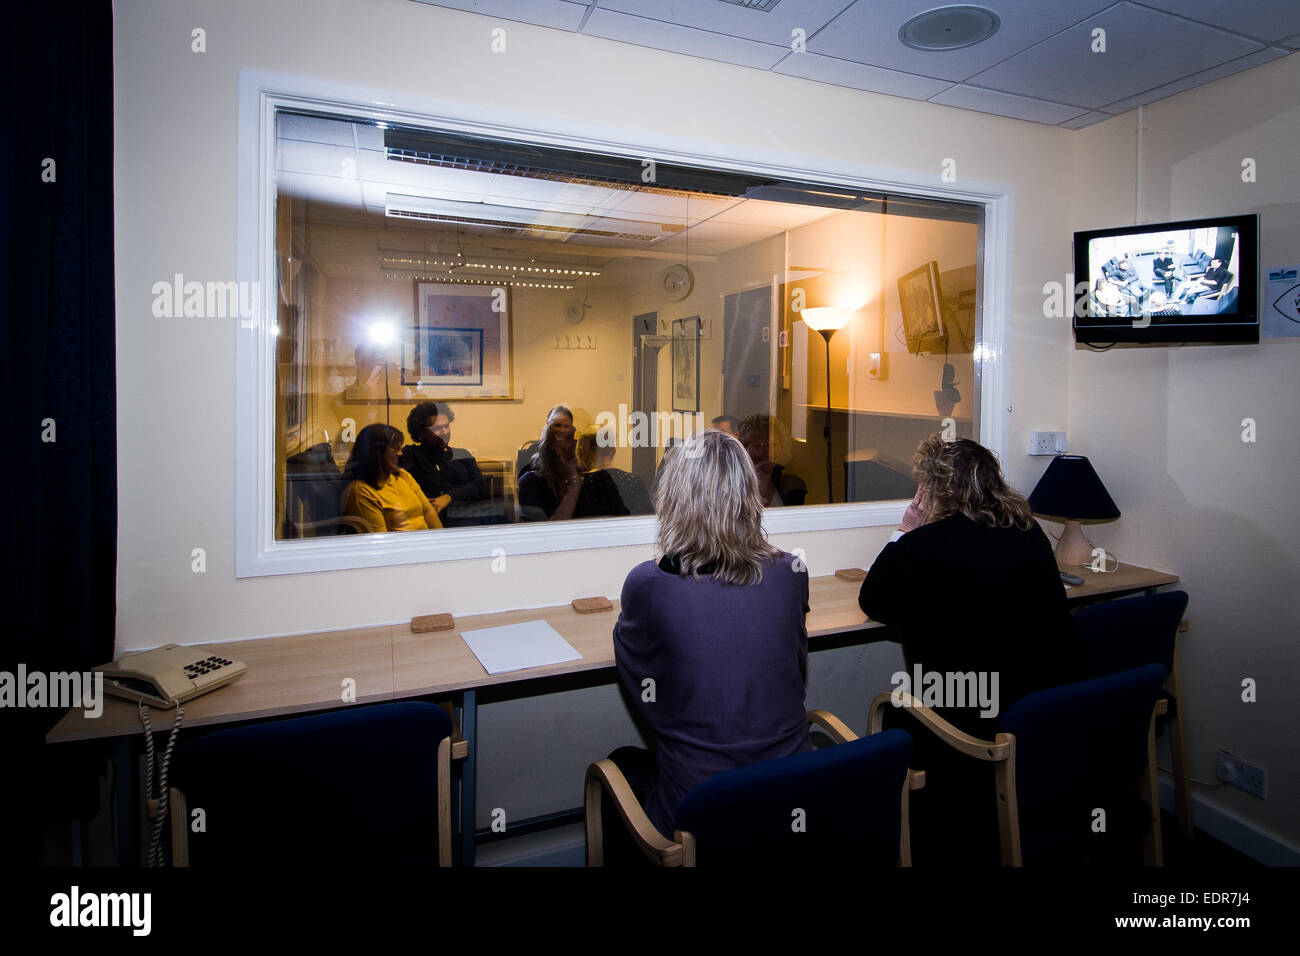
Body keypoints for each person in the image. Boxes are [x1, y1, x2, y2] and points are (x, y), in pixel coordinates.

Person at [857, 434, 1087, 864]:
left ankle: (915, 836)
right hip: (1041, 708)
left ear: (934, 491)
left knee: (890, 709)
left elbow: (874, 599)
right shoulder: (1028, 529)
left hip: (971, 720)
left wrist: (905, 530)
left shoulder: (927, 545)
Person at [608, 429, 812, 849]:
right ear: (748, 494)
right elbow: (796, 658)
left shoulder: (649, 583)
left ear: (673, 498)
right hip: (794, 795)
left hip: (698, 817)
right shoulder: (792, 572)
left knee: (619, 764)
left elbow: (646, 691)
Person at [517, 405, 629, 521]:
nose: (572, 447)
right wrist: (574, 486)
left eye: (573, 438)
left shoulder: (598, 481)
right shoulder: (530, 482)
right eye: (558, 434)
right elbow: (547, 533)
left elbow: (622, 522)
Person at [399, 401, 494, 526]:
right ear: (421, 432)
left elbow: (480, 486)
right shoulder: (411, 455)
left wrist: (448, 497)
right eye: (437, 428)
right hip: (431, 523)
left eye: (446, 426)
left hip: (469, 519)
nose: (444, 432)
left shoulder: (462, 455)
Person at [340, 423, 443, 533]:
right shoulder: (361, 491)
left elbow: (428, 512)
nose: (400, 453)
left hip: (427, 544)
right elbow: (381, 541)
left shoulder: (403, 475)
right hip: (402, 548)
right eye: (394, 448)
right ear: (377, 452)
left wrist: (443, 542)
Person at [576, 424, 652, 515]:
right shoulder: (634, 482)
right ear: (613, 450)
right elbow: (646, 521)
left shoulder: (578, 486)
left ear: (582, 451)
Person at [738, 413, 806, 506]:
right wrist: (758, 491)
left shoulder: (789, 484)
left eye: (773, 445)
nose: (767, 452)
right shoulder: (736, 482)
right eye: (758, 445)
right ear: (745, 449)